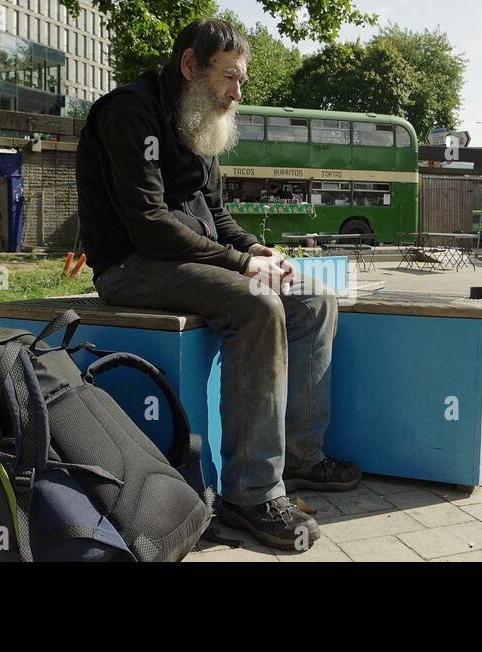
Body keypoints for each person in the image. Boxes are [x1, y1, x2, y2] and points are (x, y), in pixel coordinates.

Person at [74, 17, 361, 551]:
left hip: (186, 261)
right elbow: (149, 225)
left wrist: (256, 250)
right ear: (190, 66)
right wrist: (239, 265)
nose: (236, 92)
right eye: (228, 77)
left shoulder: (201, 122)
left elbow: (218, 215)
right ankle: (249, 496)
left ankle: (300, 457)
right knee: (258, 306)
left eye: (241, 81)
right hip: (131, 266)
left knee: (313, 299)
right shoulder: (128, 113)